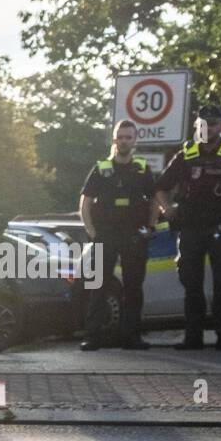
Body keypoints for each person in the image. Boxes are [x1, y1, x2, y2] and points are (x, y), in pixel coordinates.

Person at [155, 105, 221, 350]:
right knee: (191, 284)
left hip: (220, 228)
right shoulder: (186, 154)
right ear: (198, 125)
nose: (208, 128)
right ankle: (193, 337)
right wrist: (167, 209)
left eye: (213, 123)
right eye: (203, 123)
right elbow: (161, 187)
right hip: (190, 228)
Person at [78, 119, 158, 350]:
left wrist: (150, 228)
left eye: (128, 137)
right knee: (98, 285)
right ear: (114, 139)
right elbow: (85, 203)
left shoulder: (142, 168)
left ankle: (131, 337)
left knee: (133, 287)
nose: (123, 141)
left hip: (134, 235)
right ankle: (92, 337)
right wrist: (92, 232)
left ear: (134, 140)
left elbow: (154, 202)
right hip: (106, 234)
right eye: (120, 137)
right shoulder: (102, 168)